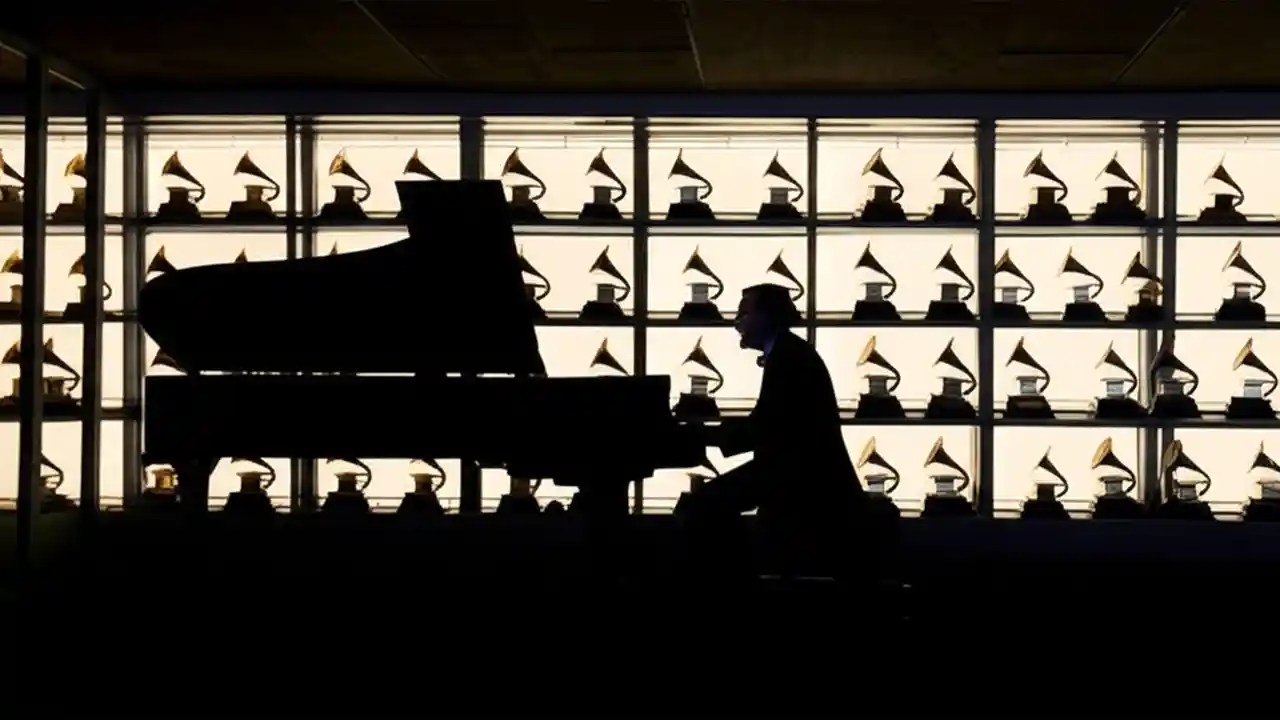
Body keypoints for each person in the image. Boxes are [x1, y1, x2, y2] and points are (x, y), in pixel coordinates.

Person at [681, 283, 873, 581]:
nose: (737, 321)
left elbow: (765, 428)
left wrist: (706, 436)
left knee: (699, 507)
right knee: (709, 504)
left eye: (745, 312)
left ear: (767, 316)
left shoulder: (787, 359)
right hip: (798, 475)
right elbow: (770, 426)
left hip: (801, 481)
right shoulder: (790, 353)